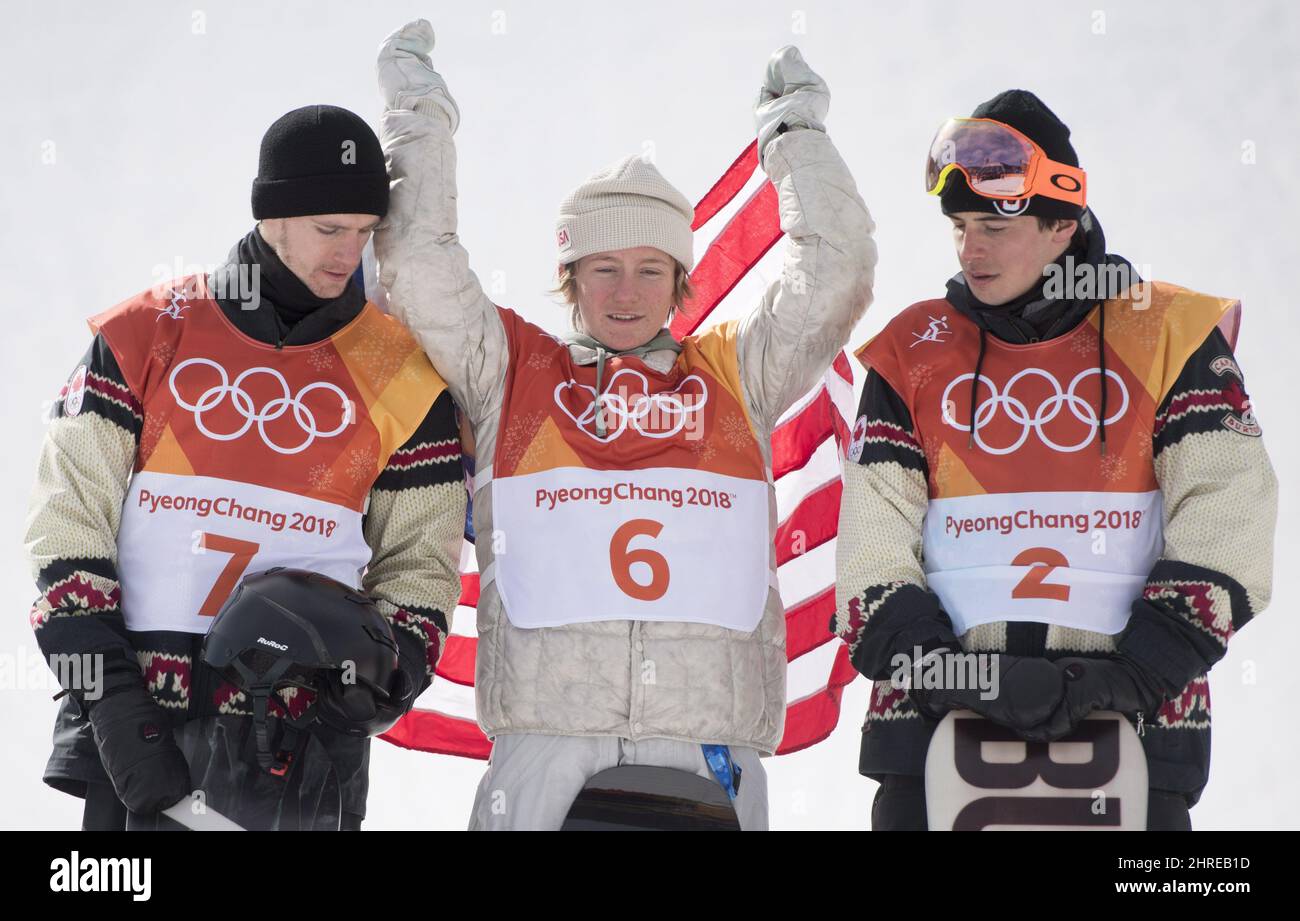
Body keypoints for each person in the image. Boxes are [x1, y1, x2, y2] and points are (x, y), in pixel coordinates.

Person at [374, 19, 876, 830]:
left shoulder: (737, 373)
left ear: (681, 279)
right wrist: (419, 117)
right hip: (547, 740)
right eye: (603, 268)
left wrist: (796, 138)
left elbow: (836, 271)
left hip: (709, 741)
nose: (626, 292)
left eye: (650, 270)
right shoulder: (510, 369)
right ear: (569, 277)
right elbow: (417, 262)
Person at [834, 89, 1278, 830]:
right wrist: (959, 676)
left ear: (1061, 226)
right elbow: (870, 551)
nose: (970, 249)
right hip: (932, 737)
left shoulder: (1168, 331)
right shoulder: (911, 350)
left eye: (993, 228)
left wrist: (1130, 676)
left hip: (1137, 730)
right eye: (960, 227)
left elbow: (1230, 513)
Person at [24, 104, 466, 830]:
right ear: (272, 215)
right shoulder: (146, 334)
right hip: (140, 734)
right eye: (330, 229)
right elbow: (65, 533)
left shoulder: (405, 378)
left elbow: (421, 564)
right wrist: (112, 702)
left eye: (364, 233)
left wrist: (389, 676)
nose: (348, 253)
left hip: (301, 749)